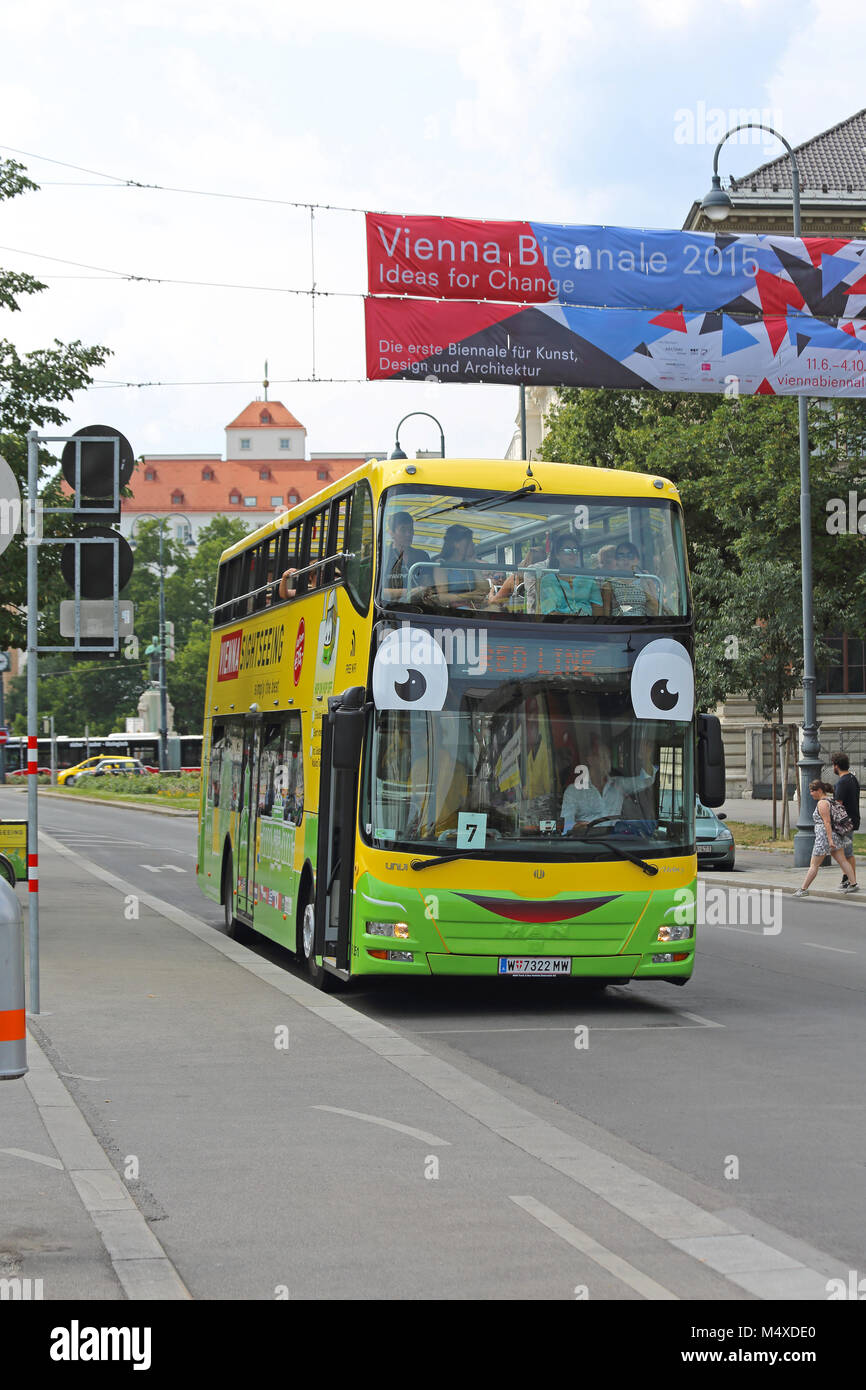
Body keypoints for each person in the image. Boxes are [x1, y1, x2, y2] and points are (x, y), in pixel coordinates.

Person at [560, 735, 656, 833]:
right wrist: (577, 827)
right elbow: (566, 825)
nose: (608, 762)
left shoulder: (619, 784)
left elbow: (646, 780)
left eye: (609, 757)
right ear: (591, 759)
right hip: (586, 841)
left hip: (614, 840)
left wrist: (646, 759)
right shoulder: (573, 790)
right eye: (603, 757)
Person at [794, 780, 859, 896]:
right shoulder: (831, 800)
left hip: (824, 838)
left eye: (812, 791)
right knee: (843, 860)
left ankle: (803, 889)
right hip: (834, 835)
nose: (811, 793)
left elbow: (827, 822)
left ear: (819, 790)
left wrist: (829, 840)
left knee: (814, 865)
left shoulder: (822, 803)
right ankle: (853, 884)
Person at [539, 533, 603, 616]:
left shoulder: (588, 578)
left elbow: (598, 607)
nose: (573, 554)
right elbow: (549, 611)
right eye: (568, 550)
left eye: (575, 550)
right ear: (557, 555)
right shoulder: (548, 580)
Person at [432, 524, 488, 608]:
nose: (472, 544)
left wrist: (474, 565)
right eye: (469, 541)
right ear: (456, 544)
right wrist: (469, 596)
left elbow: (484, 590)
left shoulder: (469, 564)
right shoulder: (441, 564)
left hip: (474, 608)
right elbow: (442, 597)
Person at [600, 541, 659, 616]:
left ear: (637, 560)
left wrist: (645, 583)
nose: (625, 559)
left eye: (630, 555)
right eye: (621, 556)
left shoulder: (647, 580)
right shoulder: (609, 583)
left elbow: (655, 609)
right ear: (616, 561)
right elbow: (606, 613)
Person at [382, 511, 430, 601]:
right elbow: (378, 591)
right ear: (391, 533)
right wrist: (409, 592)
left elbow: (427, 587)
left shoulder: (422, 556)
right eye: (403, 530)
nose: (408, 534)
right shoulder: (383, 556)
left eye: (411, 530)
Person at [832, 751, 860, 889]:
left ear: (836, 766)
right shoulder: (852, 778)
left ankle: (851, 880)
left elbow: (838, 804)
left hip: (845, 823)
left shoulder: (842, 782)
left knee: (847, 853)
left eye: (833, 765)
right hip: (852, 819)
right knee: (843, 851)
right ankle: (846, 877)